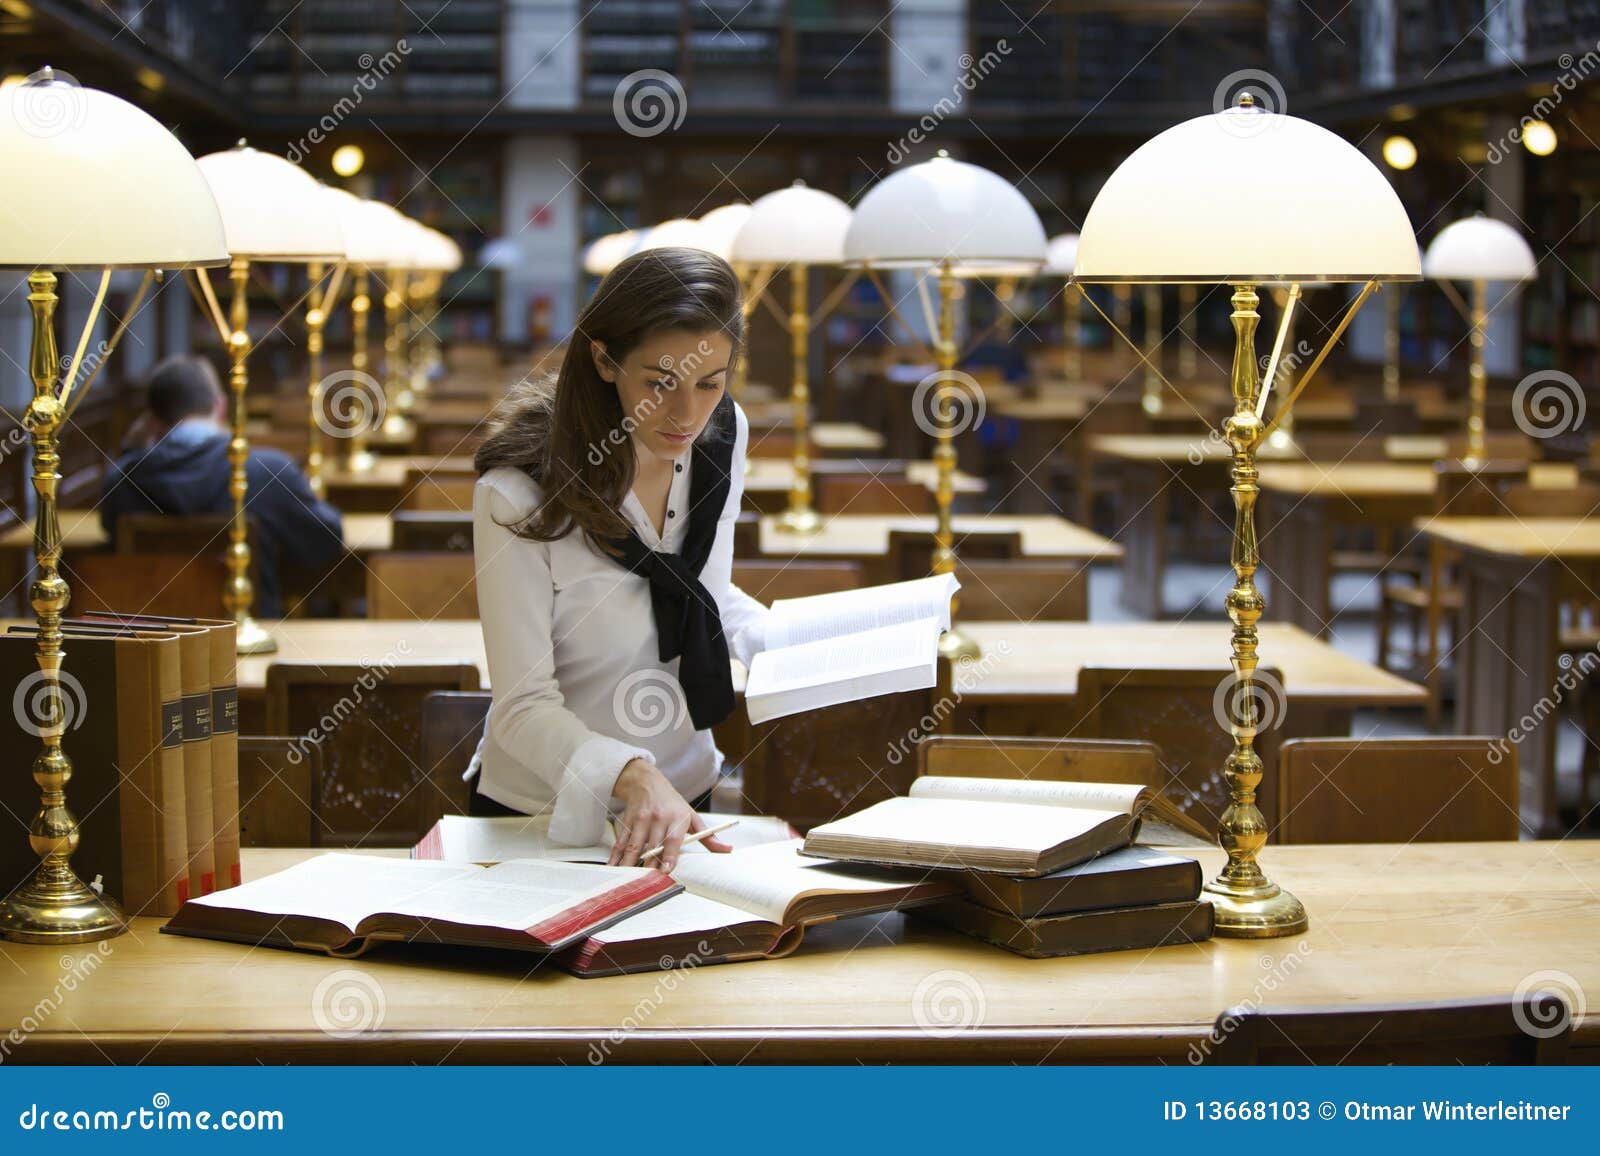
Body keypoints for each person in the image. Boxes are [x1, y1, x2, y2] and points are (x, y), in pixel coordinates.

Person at [470, 247, 769, 872]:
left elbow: (697, 589)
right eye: (660, 382)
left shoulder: (724, 434)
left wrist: (780, 641)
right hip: (537, 812)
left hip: (684, 794)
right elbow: (521, 707)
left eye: (710, 383)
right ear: (604, 361)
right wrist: (631, 774)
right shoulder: (517, 495)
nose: (687, 414)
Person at [100, 354, 344, 618]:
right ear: (222, 407)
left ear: (152, 422)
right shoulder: (268, 472)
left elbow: (113, 535)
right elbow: (326, 541)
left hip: (153, 637)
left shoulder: (122, 485)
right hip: (246, 636)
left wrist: (131, 451)